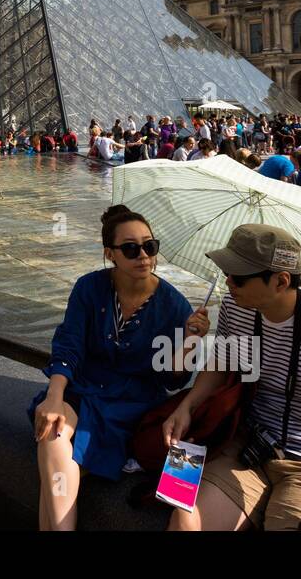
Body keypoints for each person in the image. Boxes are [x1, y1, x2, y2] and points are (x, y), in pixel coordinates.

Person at [164, 224, 301, 531]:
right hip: (249, 446)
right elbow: (222, 365)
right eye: (227, 272)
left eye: (238, 276)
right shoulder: (237, 307)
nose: (228, 282)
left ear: (281, 281)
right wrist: (188, 405)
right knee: (184, 521)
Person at [32, 205, 207, 531]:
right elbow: (69, 345)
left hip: (135, 406)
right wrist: (54, 395)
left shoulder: (175, 306)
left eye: (149, 246)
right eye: (131, 248)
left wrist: (191, 341)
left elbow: (172, 380)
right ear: (110, 253)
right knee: (54, 432)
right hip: (83, 391)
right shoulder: (89, 287)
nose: (143, 255)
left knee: (54, 465)